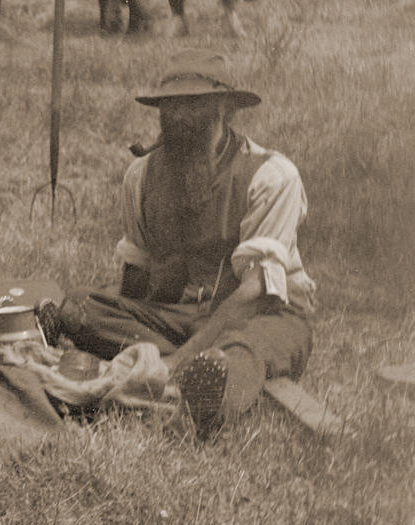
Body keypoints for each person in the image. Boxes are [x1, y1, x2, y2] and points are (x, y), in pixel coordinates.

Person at [42, 51, 317, 435]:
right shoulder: (140, 176)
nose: (180, 117)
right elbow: (135, 276)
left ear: (225, 110)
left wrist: (180, 357)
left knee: (245, 350)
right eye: (171, 106)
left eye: (195, 104)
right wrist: (105, 315)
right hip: (176, 316)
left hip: (258, 314)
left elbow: (255, 292)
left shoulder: (271, 176)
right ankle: (185, 369)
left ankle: (206, 399)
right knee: (80, 306)